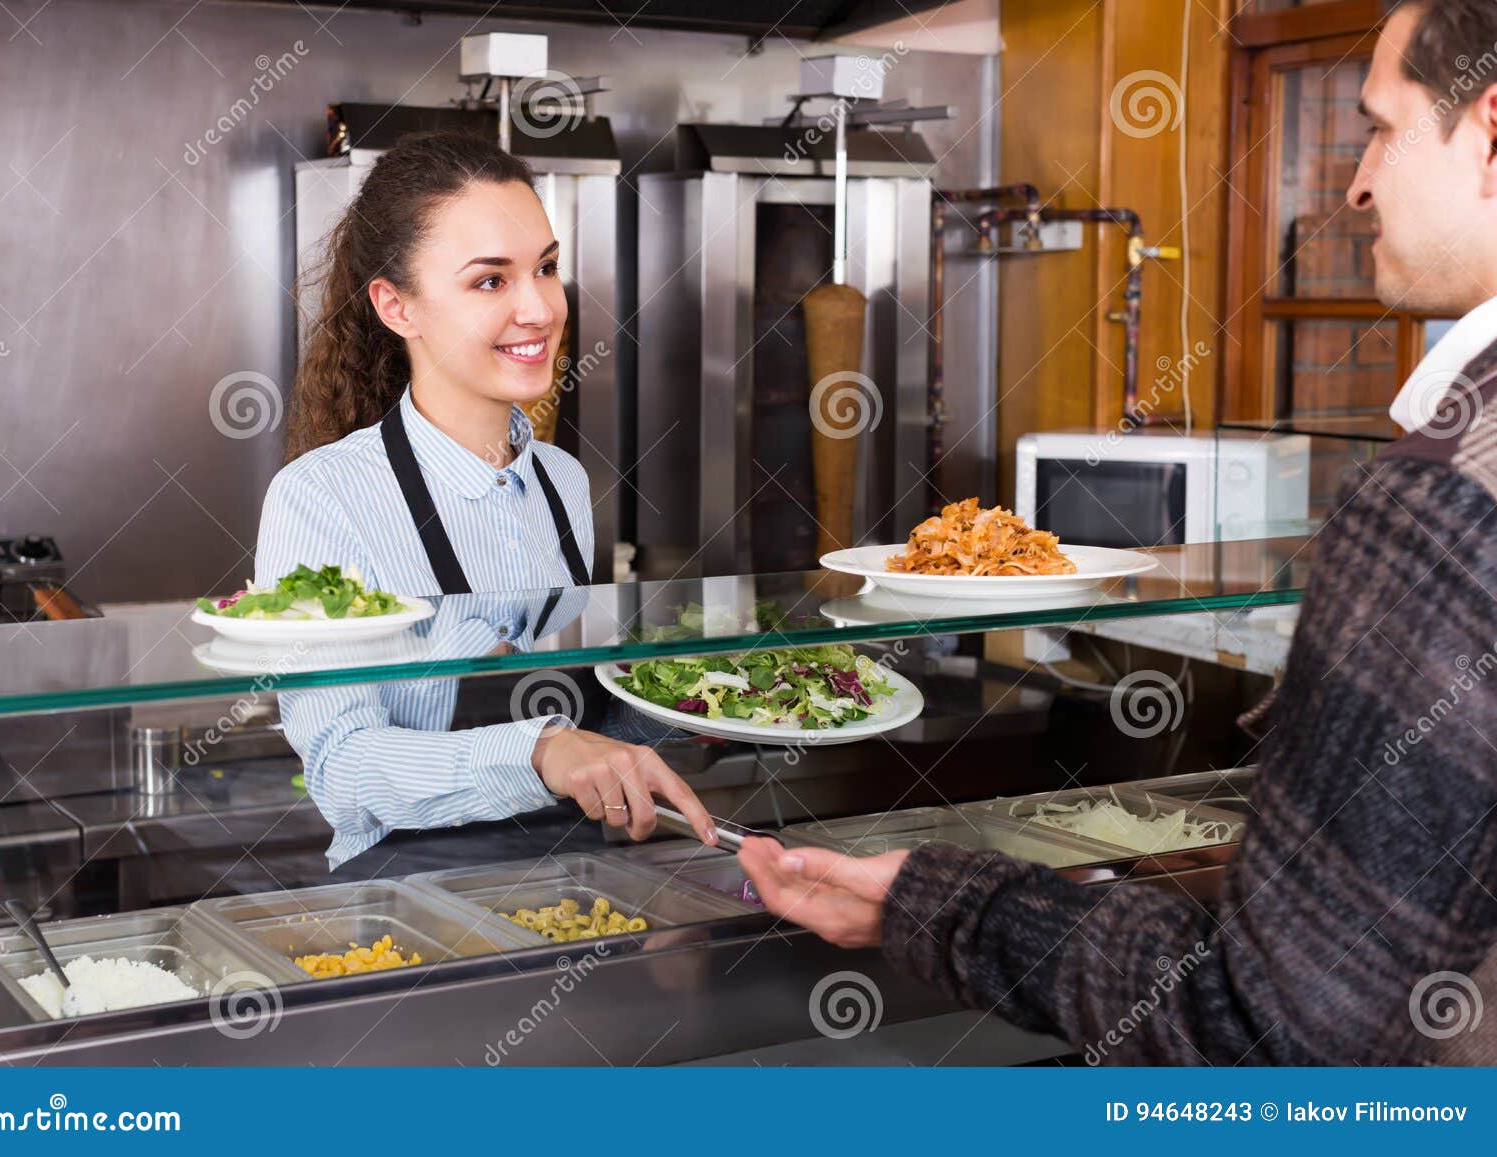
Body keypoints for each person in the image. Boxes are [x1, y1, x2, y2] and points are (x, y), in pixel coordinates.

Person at [740, 0, 1497, 1064]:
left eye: (1378, 125)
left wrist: (941, 903)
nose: (1355, 180)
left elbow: (1264, 1033)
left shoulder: (1441, 501)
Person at [257, 131, 716, 871]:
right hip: (406, 897)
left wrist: (696, 705)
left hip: (570, 869)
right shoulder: (323, 497)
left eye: (546, 268)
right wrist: (536, 750)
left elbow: (578, 711)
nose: (538, 308)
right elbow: (341, 768)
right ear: (396, 305)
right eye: (490, 281)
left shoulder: (562, 484)